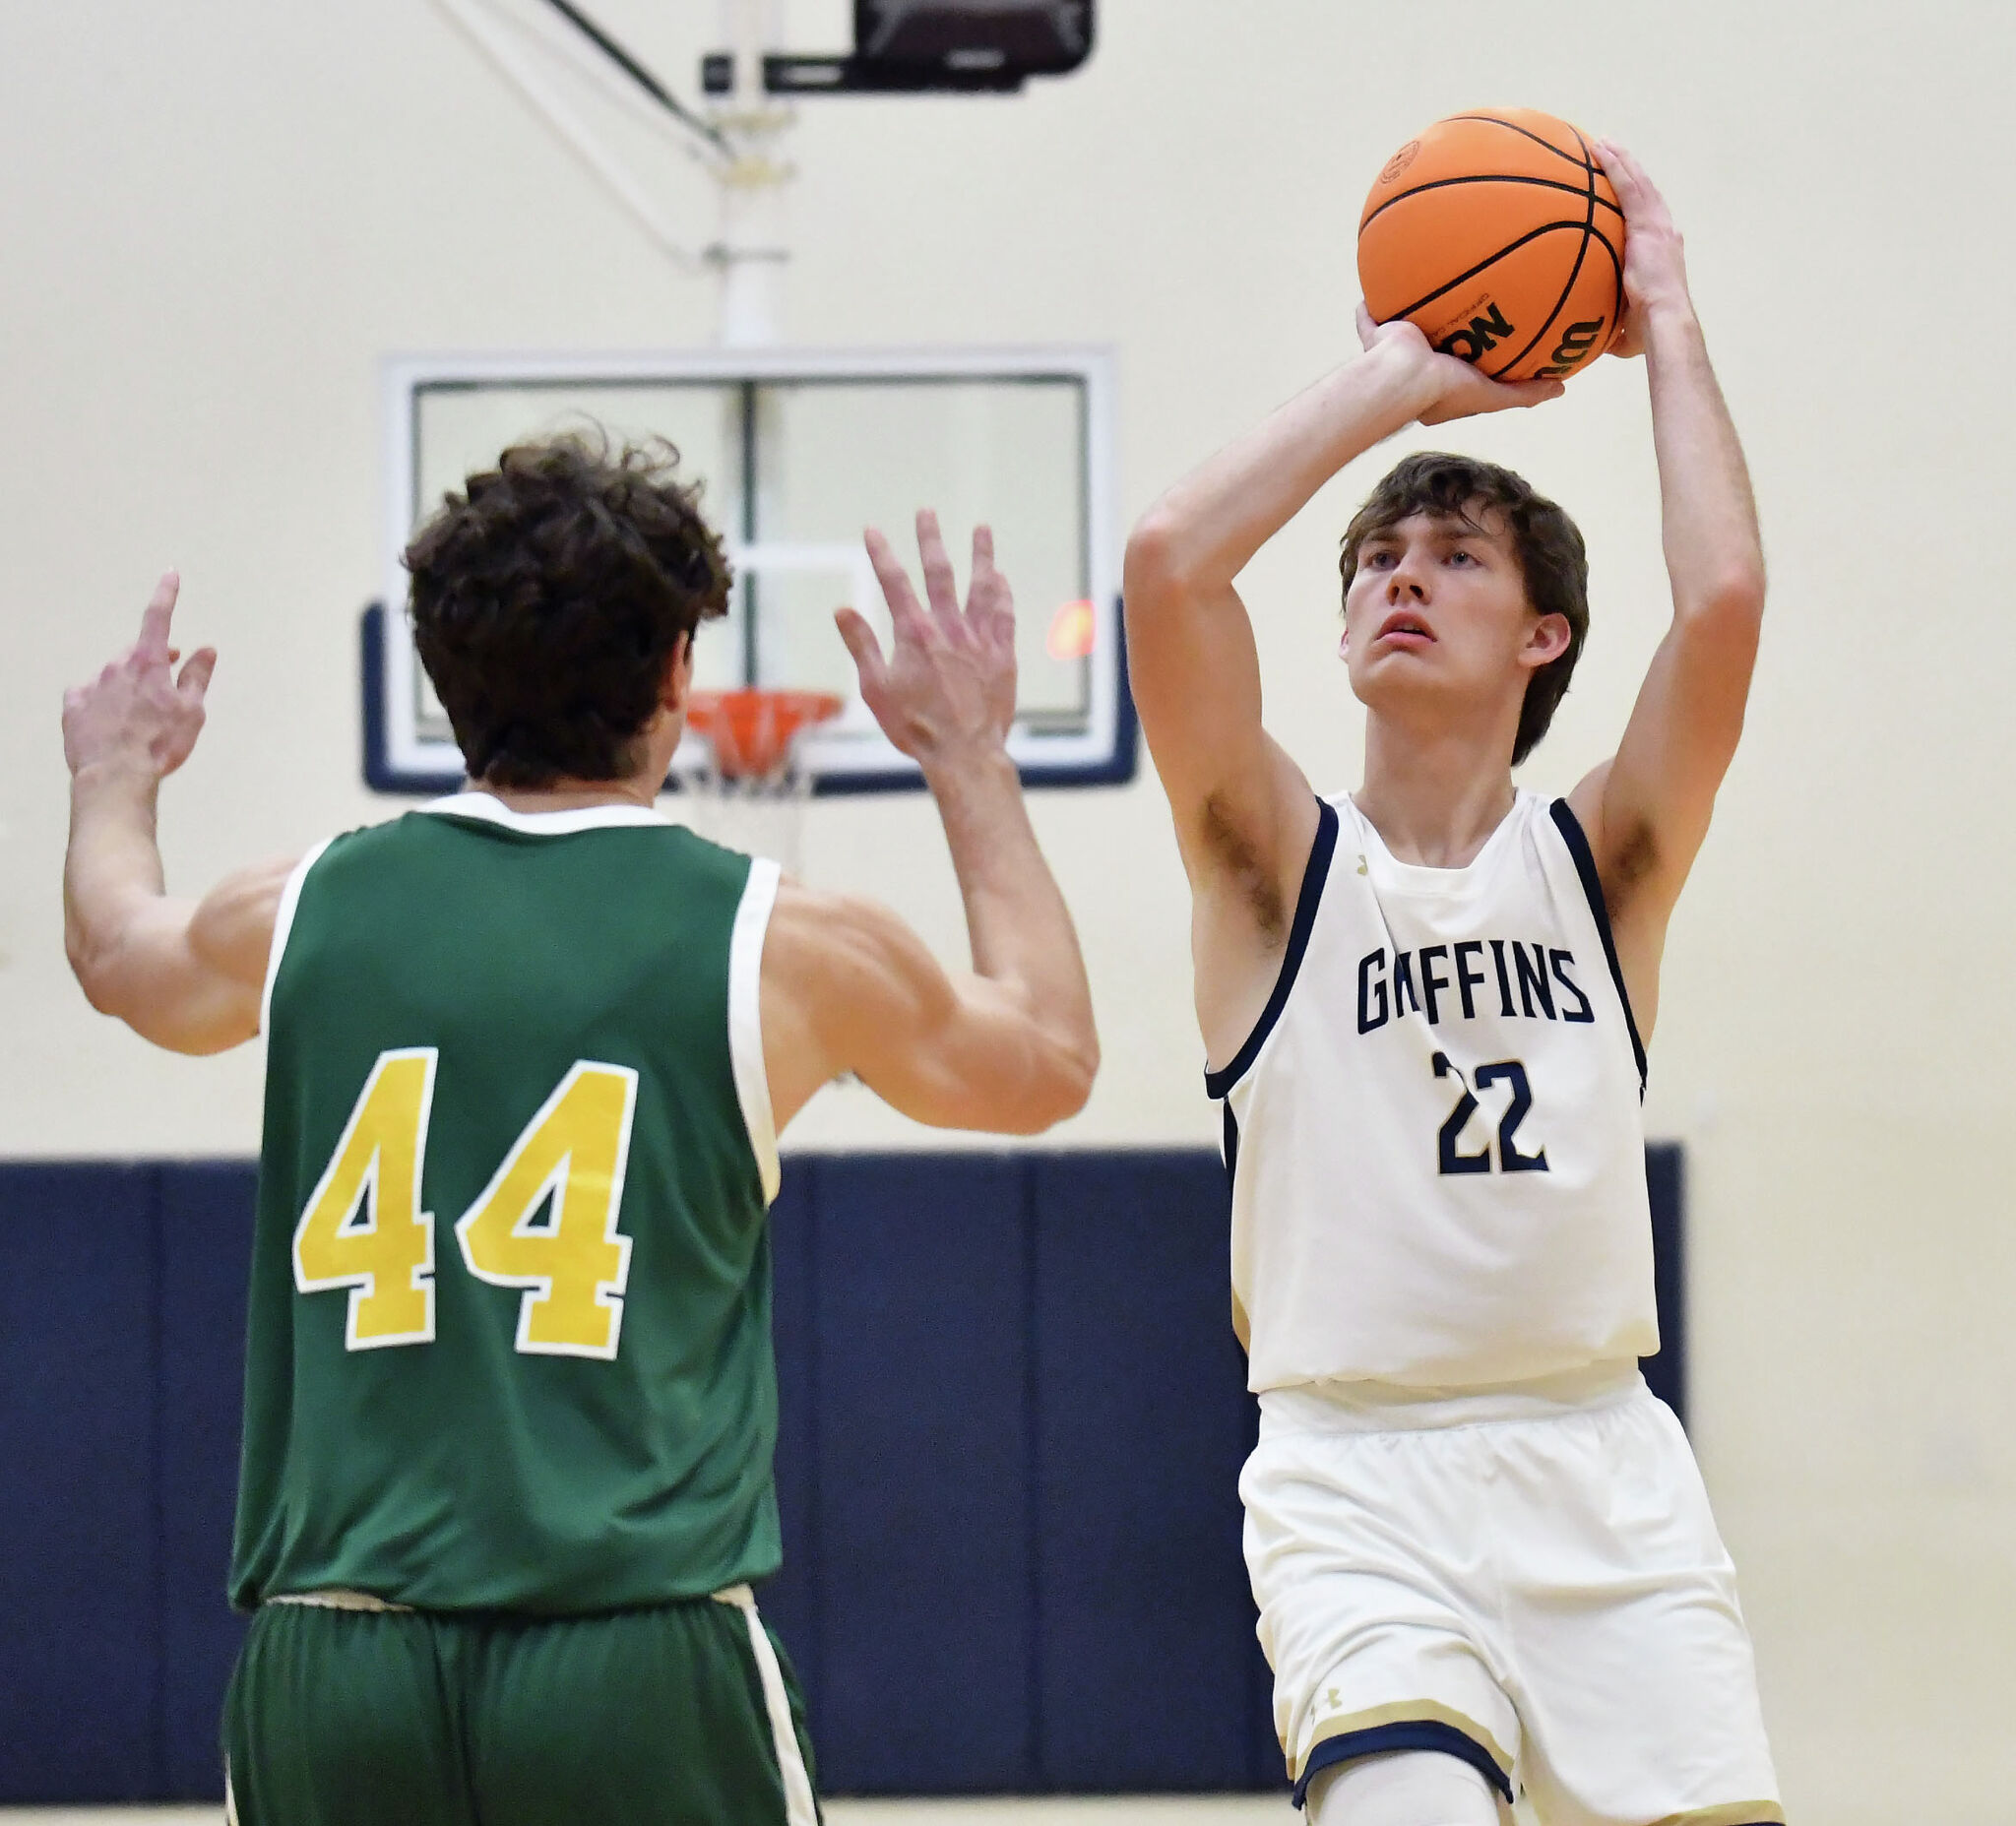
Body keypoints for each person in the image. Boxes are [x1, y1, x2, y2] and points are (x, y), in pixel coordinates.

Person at [60, 434, 1098, 1826]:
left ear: (441, 677)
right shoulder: (786, 940)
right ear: (676, 674)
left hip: (333, 1664)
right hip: (630, 1656)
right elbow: (1047, 1061)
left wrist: (115, 775)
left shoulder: (297, 910)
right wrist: (965, 752)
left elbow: (116, 951)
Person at [1123, 143, 1780, 1826]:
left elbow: (1722, 601)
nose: (1401, 576)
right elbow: (1172, 562)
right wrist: (1396, 383)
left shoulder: (1601, 860)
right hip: (1356, 1478)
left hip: (1604, 1470)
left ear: (1546, 636)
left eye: (1458, 558)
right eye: (1376, 560)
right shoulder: (1275, 868)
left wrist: (1665, 310)